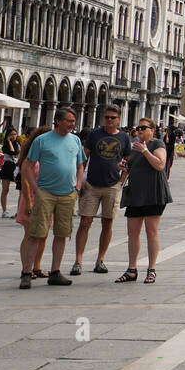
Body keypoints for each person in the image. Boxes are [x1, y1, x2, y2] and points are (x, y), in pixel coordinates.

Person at [20, 110, 86, 289]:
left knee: (62, 233)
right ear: (58, 121)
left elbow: (80, 166)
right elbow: (27, 166)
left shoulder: (75, 140)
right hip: (46, 193)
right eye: (68, 121)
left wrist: (77, 187)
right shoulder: (42, 140)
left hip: (67, 194)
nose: (72, 124)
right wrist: (36, 190)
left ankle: (55, 272)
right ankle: (27, 272)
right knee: (36, 233)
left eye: (73, 121)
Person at [71, 105, 131, 276]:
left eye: (113, 117)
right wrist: (80, 181)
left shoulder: (124, 138)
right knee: (85, 222)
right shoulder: (95, 134)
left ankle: (100, 260)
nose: (109, 120)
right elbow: (84, 158)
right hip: (91, 185)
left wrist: (121, 182)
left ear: (119, 119)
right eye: (107, 117)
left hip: (112, 186)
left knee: (107, 223)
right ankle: (78, 260)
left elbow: (128, 161)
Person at [115, 117, 170, 284]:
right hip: (135, 193)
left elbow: (160, 165)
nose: (139, 131)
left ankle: (151, 269)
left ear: (152, 130)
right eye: (137, 128)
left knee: (151, 231)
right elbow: (132, 167)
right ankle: (131, 269)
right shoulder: (134, 146)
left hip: (153, 193)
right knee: (132, 232)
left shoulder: (157, 144)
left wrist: (145, 151)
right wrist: (124, 168)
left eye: (143, 128)